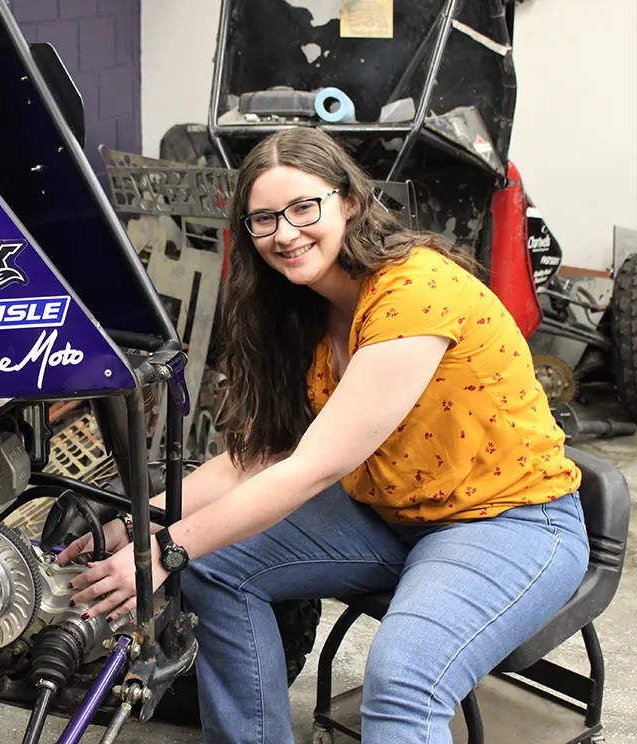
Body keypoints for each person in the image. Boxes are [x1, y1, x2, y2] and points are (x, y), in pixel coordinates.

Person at [58, 127, 589, 743]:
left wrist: (164, 549)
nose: (285, 232)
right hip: (390, 515)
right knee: (213, 566)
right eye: (262, 219)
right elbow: (261, 455)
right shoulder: (301, 308)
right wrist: (142, 520)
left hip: (510, 522)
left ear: (350, 203)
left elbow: (311, 467)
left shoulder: (415, 290)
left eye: (303, 208)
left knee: (403, 680)